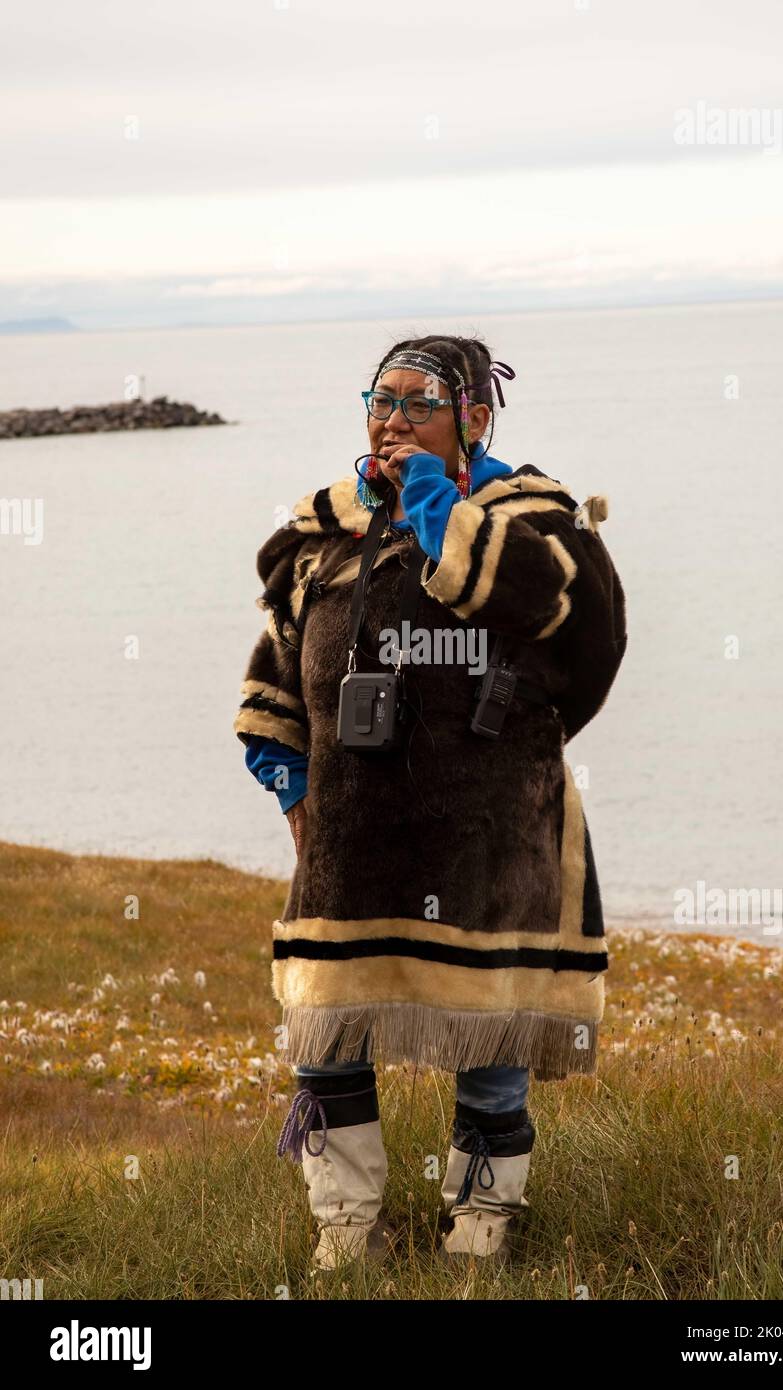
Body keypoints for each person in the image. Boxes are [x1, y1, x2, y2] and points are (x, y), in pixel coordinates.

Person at [233, 334, 627, 1271]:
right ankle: (346, 1224)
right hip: (349, 843)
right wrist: (294, 787)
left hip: (492, 838)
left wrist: (445, 519)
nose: (392, 420)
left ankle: (480, 1226)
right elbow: (276, 681)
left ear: (476, 418)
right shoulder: (324, 533)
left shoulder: (536, 523)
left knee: (486, 1030)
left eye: (418, 404)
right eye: (380, 400)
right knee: (325, 1033)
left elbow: (585, 648)